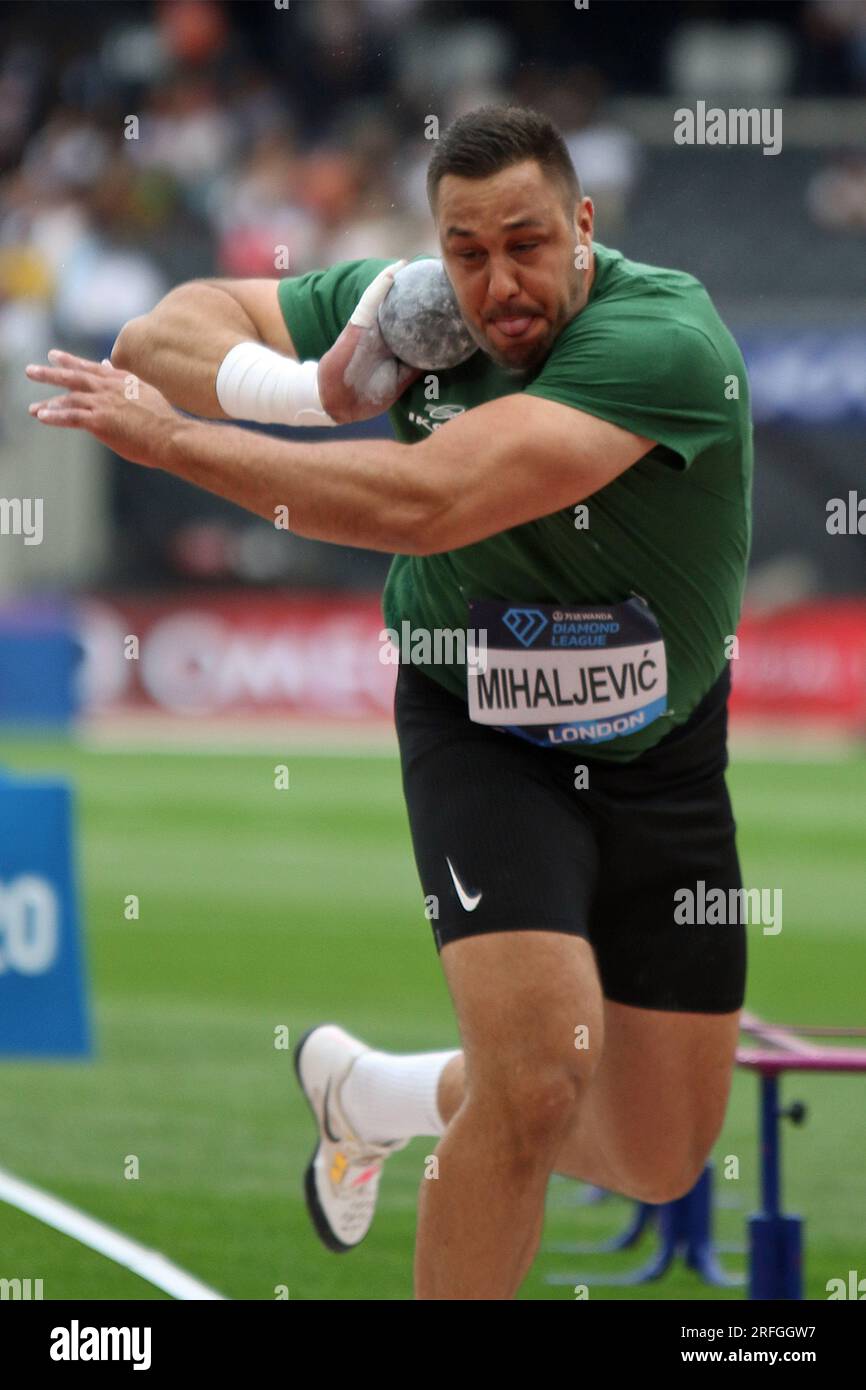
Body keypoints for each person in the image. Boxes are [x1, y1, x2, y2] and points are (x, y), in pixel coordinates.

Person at [25, 104, 752, 1302]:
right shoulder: (418, 308)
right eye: (466, 252)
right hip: (482, 732)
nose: (497, 282)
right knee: (531, 1080)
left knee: (661, 1156)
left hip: (661, 748)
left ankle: (375, 1094)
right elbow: (161, 332)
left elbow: (426, 505)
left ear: (582, 226)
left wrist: (181, 447)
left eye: (525, 243)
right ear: (436, 247)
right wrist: (316, 384)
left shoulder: (660, 340)